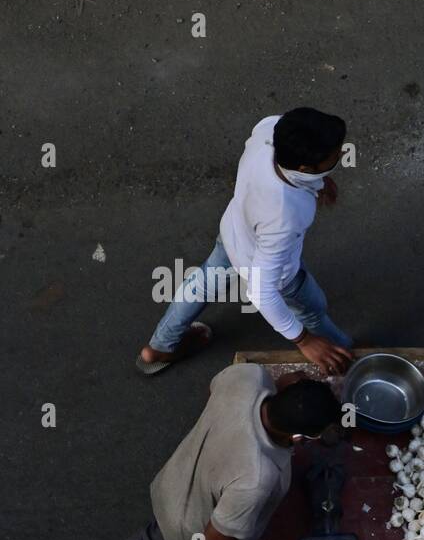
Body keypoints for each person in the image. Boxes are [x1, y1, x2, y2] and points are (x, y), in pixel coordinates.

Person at [50, 365, 341, 540]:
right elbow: (219, 539)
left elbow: (214, 391)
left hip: (174, 486)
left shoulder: (248, 376)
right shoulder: (256, 478)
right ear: (299, 438)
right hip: (199, 533)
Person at [138, 108, 355, 376]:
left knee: (202, 285)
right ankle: (348, 354)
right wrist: (304, 340)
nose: (341, 155)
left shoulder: (269, 130)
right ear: (304, 168)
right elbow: (261, 291)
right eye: (334, 155)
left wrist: (316, 182)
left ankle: (160, 346)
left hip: (232, 236)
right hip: (278, 273)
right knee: (313, 309)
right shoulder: (284, 216)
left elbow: (291, 171)